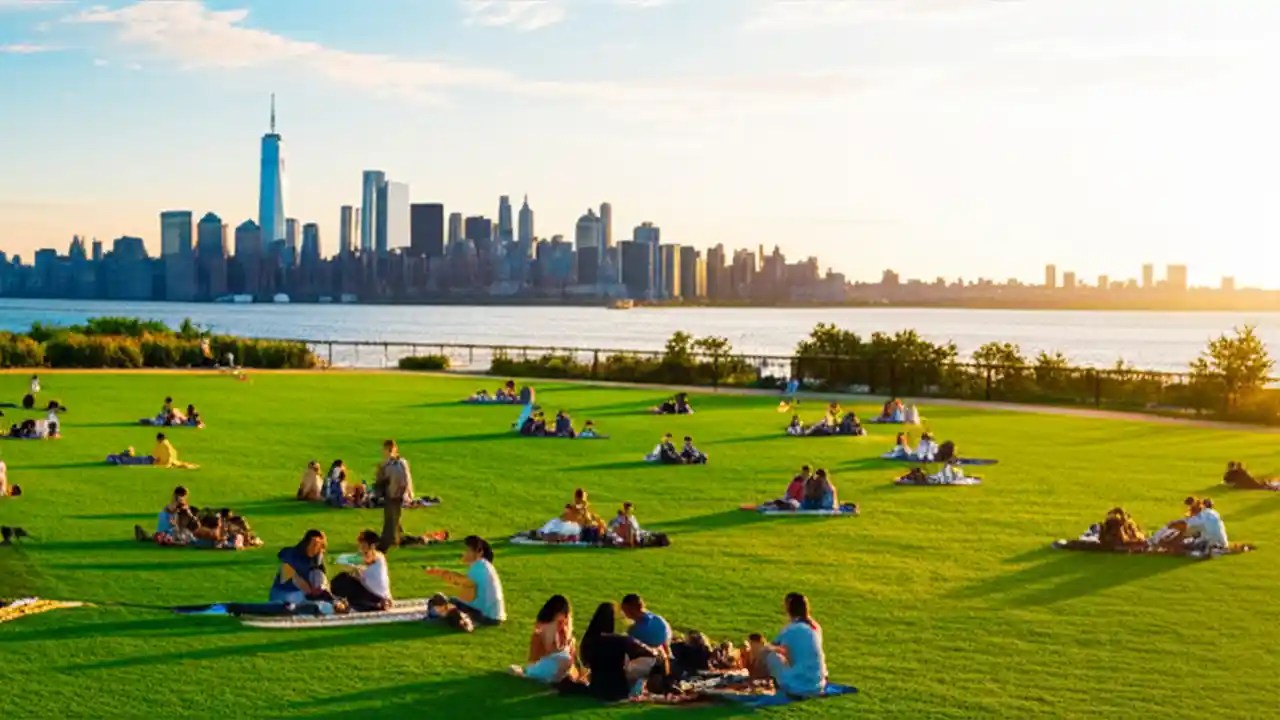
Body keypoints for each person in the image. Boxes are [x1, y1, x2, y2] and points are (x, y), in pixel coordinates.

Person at [563, 602, 664, 701]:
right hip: (619, 691)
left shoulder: (589, 642)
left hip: (597, 689)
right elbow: (645, 651)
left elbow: (586, 663)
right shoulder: (621, 640)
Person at [425, 535, 506, 625]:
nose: (463, 553)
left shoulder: (479, 567)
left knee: (437, 601)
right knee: (450, 602)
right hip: (493, 616)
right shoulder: (483, 566)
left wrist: (443, 574)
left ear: (479, 553)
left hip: (486, 617)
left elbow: (464, 586)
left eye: (467, 550)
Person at [760, 593, 828, 697]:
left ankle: (756, 681)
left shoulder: (792, 629)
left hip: (798, 687)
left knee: (768, 655)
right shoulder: (815, 627)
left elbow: (777, 648)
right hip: (818, 685)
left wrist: (764, 647)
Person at [511, 595, 577, 684]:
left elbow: (534, 659)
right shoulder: (543, 633)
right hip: (549, 669)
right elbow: (534, 659)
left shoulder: (569, 638)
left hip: (556, 670)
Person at [331, 529, 392, 612]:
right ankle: (345, 604)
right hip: (370, 593)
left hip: (377, 596)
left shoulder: (376, 556)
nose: (360, 547)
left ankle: (369, 605)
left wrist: (343, 559)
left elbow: (366, 560)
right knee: (342, 579)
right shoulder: (364, 558)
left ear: (372, 545)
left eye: (363, 544)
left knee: (344, 580)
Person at [269, 529, 331, 605]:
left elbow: (321, 577)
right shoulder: (291, 555)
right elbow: (291, 576)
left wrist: (321, 588)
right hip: (285, 593)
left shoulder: (316, 560)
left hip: (300, 594)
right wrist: (310, 590)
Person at [375, 440, 411, 551]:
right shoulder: (386, 464)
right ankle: (395, 538)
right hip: (390, 493)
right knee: (391, 518)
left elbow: (405, 479)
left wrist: (406, 493)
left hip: (397, 494)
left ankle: (389, 541)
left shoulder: (400, 463)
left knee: (393, 518)